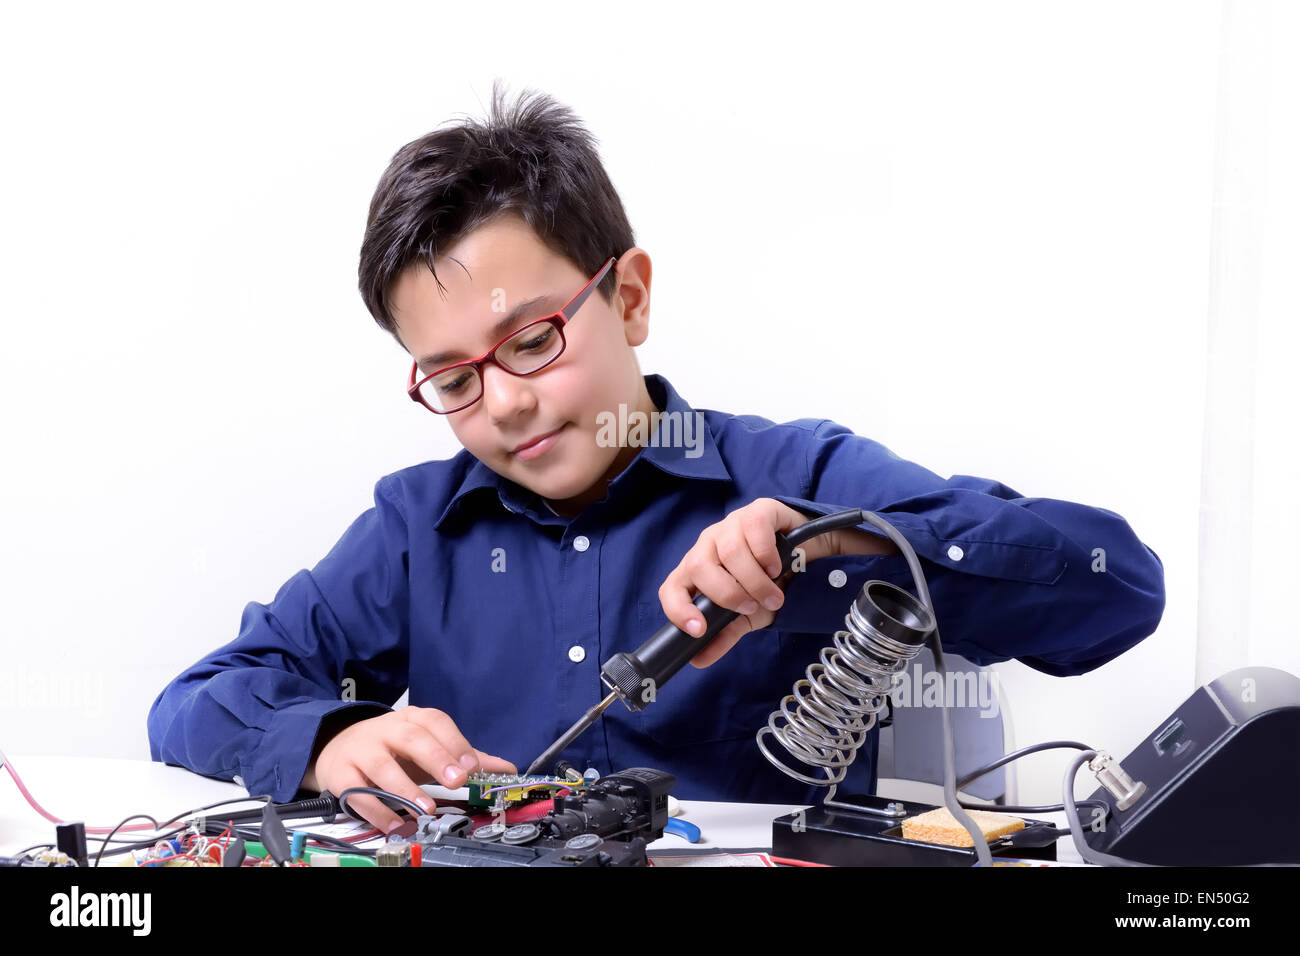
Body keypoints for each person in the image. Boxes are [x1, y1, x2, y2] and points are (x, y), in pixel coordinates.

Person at [147, 82, 1166, 834]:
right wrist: (326, 739)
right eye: (452, 377)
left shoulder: (792, 473)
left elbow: (1117, 588)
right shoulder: (418, 529)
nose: (503, 402)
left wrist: (839, 541)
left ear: (627, 296)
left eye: (533, 340)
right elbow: (196, 697)